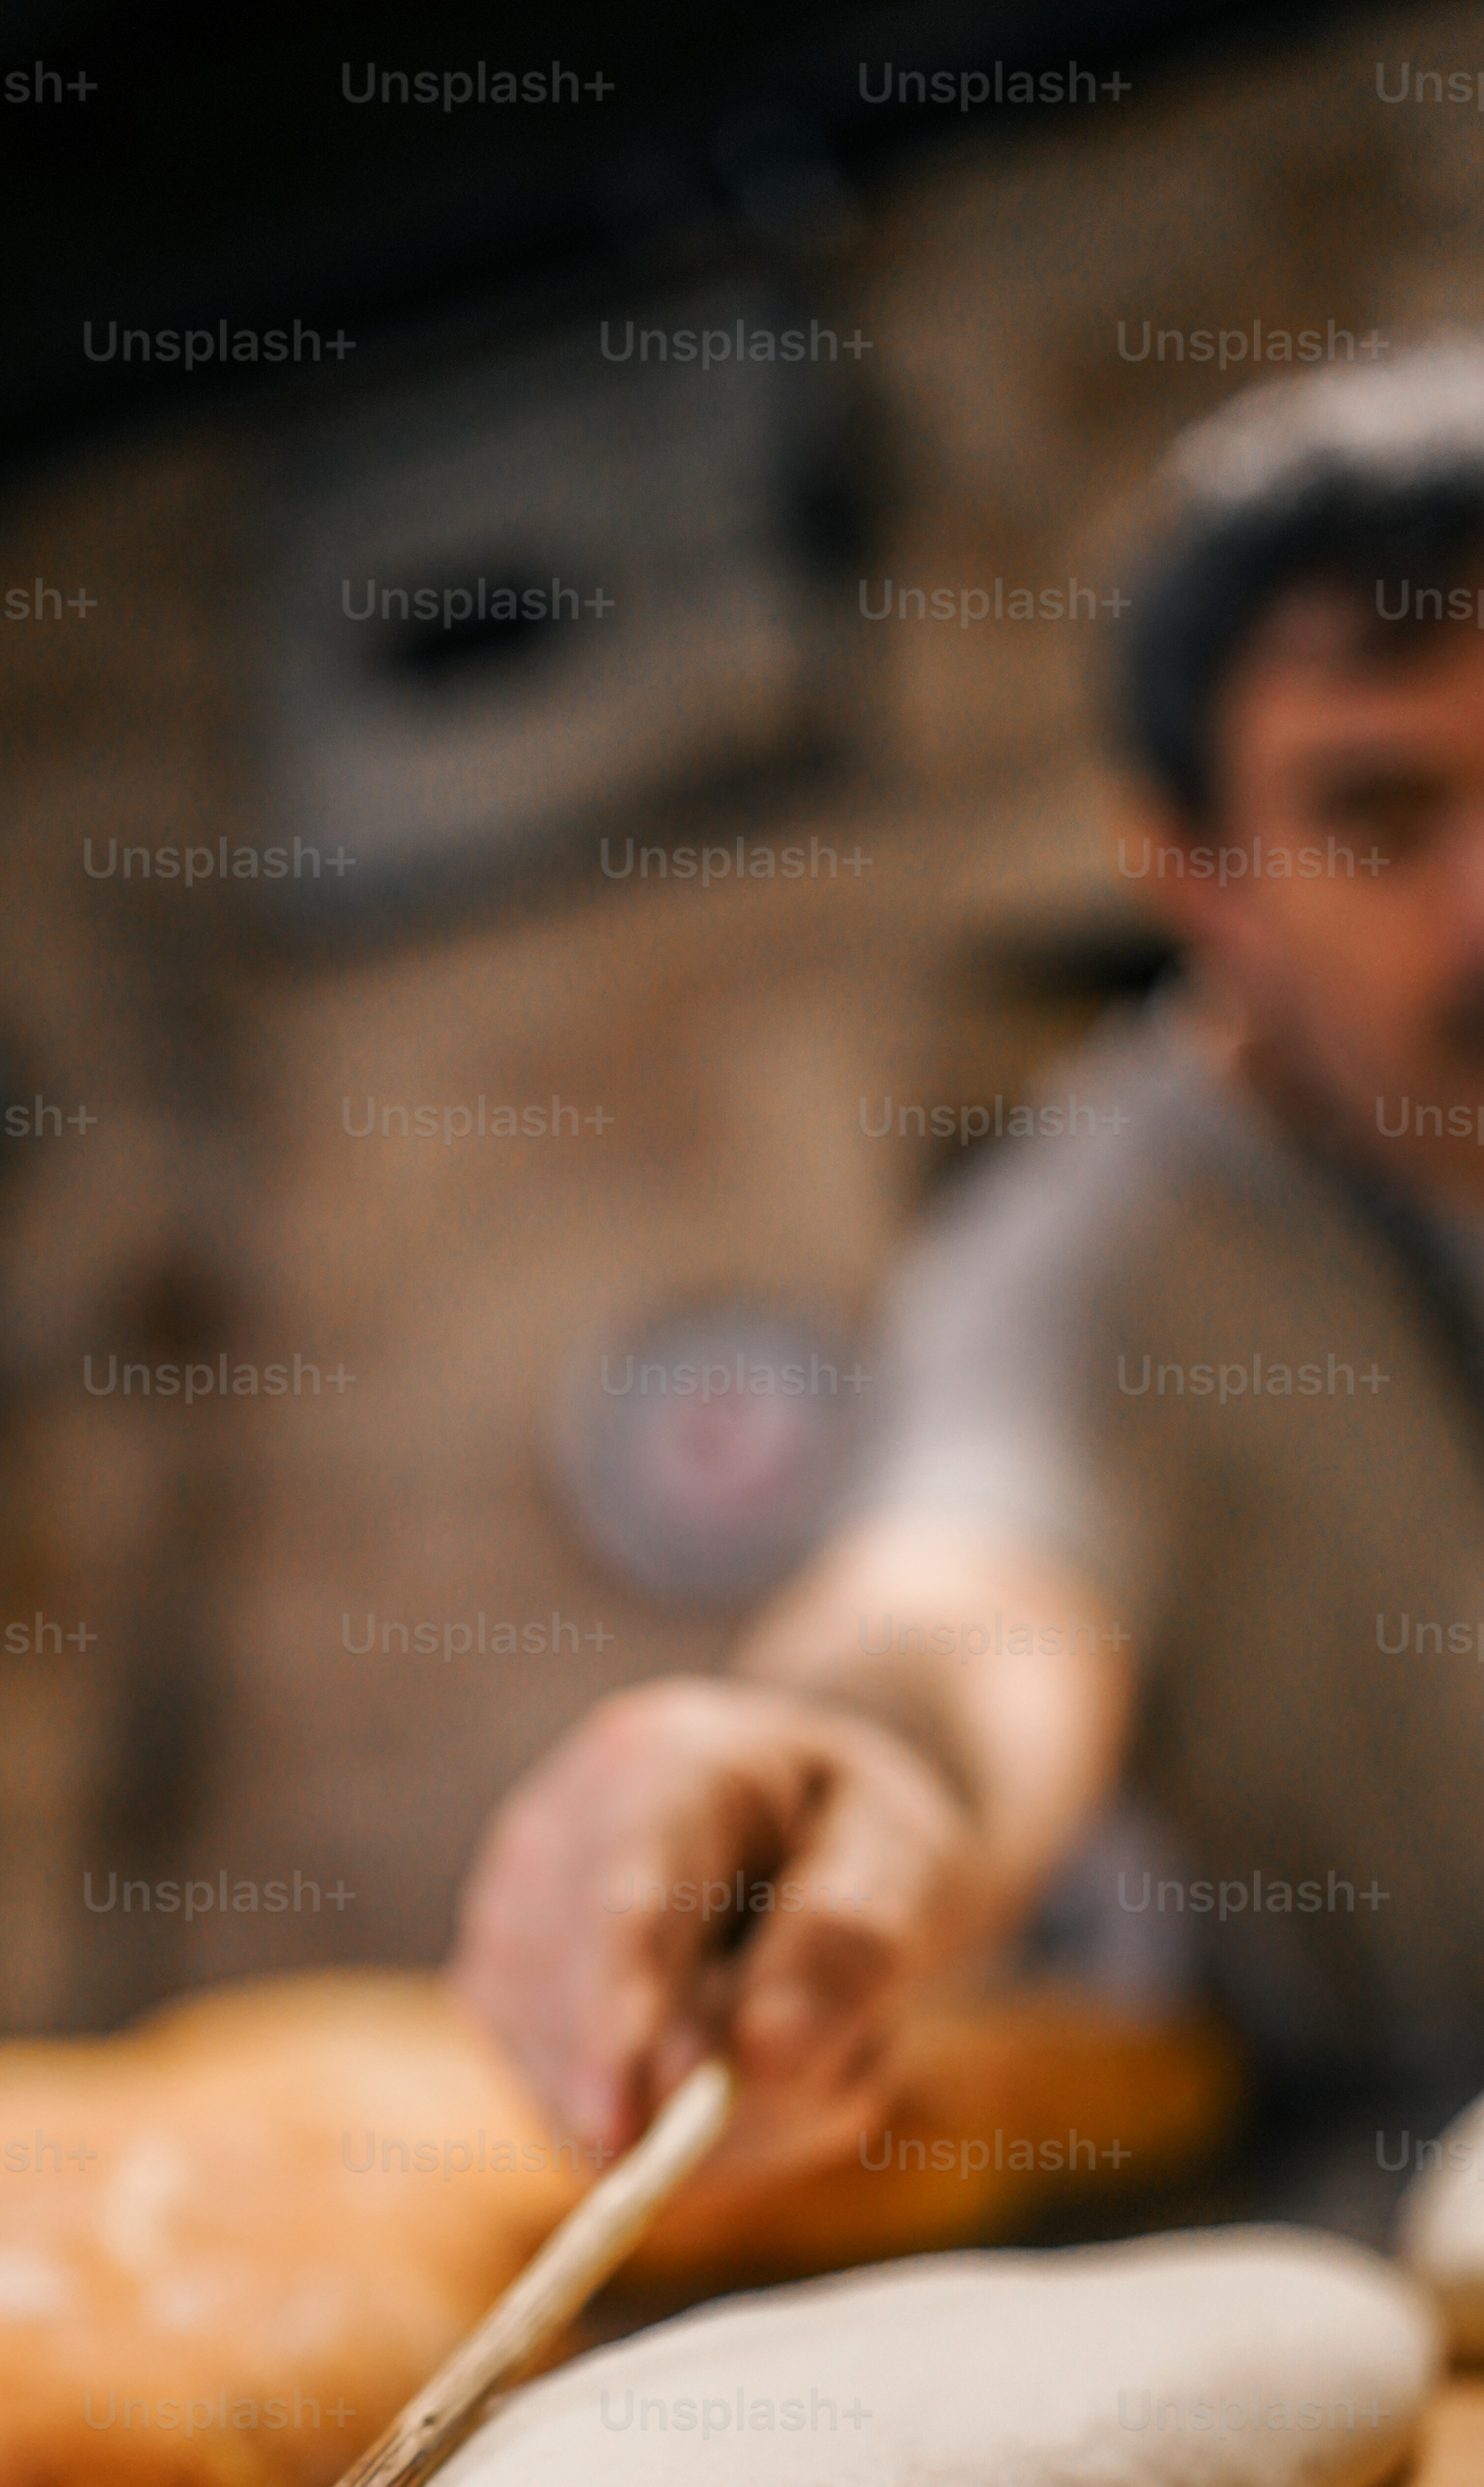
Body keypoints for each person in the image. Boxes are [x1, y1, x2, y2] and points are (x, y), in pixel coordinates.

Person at [454, 340, 1484, 2176]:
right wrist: (844, 1780)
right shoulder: (1098, 1266)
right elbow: (969, 1601)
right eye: (1380, 820)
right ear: (1203, 886)